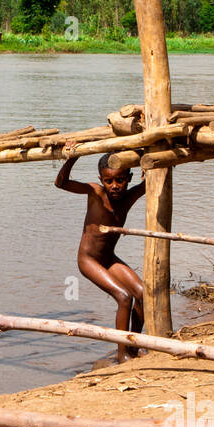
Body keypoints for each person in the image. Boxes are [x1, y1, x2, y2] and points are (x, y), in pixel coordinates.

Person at [55, 147, 147, 362]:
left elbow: (151, 182)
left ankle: (134, 345)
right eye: (109, 181)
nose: (115, 186)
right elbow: (61, 183)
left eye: (121, 180)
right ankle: (122, 353)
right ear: (101, 180)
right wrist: (73, 158)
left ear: (128, 178)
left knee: (142, 293)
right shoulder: (96, 193)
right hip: (89, 260)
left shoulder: (128, 196)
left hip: (109, 258)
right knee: (124, 297)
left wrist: (145, 158)